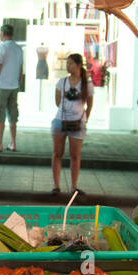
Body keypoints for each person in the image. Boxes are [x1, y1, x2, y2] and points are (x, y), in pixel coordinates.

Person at [50, 52, 93, 197]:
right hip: (60, 120)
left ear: (79, 65)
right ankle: (56, 186)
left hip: (77, 122)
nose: (67, 66)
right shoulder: (61, 82)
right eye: (67, 63)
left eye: (70, 63)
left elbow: (90, 103)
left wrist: (84, 118)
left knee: (75, 155)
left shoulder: (87, 83)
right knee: (57, 153)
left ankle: (74, 186)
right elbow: (57, 102)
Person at [0, 22, 22, 152]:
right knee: (13, 115)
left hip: (1, 86)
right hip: (14, 86)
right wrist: (18, 83)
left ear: (2, 34)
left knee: (0, 115)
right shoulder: (18, 49)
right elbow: (20, 68)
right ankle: (13, 143)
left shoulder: (2, 47)